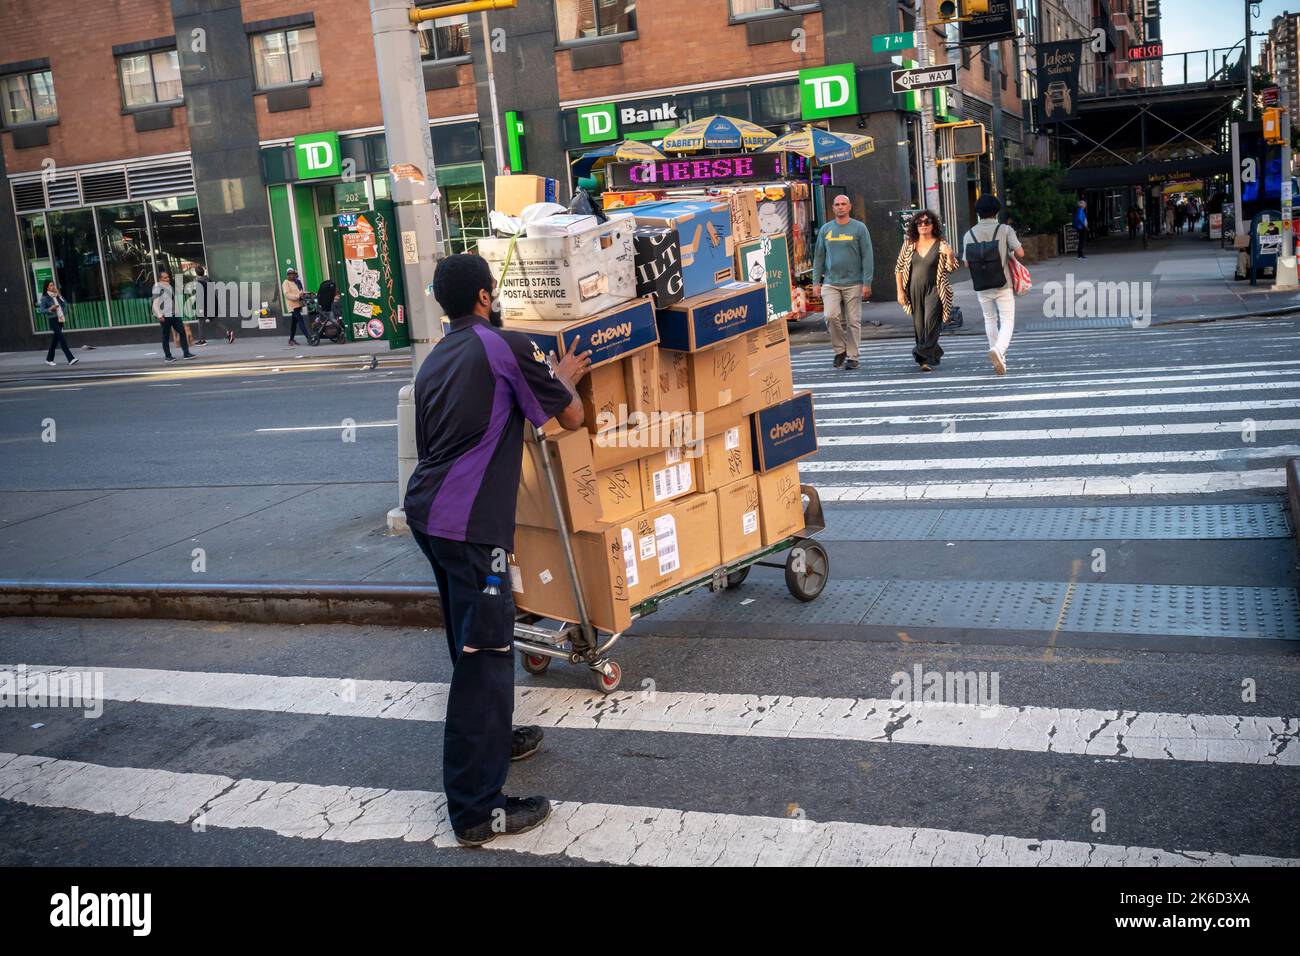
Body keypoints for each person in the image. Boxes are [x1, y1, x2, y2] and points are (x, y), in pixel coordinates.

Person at [404, 253, 591, 848]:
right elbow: (574, 417)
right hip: (469, 526)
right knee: (485, 655)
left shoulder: (435, 358)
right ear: (485, 297)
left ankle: (495, 734)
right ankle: (477, 812)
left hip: (428, 516)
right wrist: (562, 376)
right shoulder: (506, 347)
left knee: (471, 641)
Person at [962, 194, 1026, 376]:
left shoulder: (969, 234)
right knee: (1007, 321)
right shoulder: (1005, 230)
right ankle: (999, 350)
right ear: (996, 211)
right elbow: (1021, 252)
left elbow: (967, 263)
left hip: (982, 283)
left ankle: (999, 358)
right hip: (1003, 283)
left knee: (989, 319)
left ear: (978, 212)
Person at [812, 194, 873, 371]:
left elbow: (867, 256)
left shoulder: (859, 228)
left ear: (849, 207)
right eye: (837, 204)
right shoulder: (825, 229)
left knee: (853, 321)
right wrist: (816, 282)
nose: (840, 207)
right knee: (830, 315)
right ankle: (840, 350)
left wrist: (867, 282)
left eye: (843, 204)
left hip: (854, 282)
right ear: (833, 208)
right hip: (830, 282)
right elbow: (818, 257)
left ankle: (853, 356)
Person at [895, 209, 956, 372]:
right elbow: (899, 269)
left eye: (927, 222)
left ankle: (919, 351)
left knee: (931, 324)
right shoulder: (909, 244)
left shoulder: (941, 244)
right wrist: (900, 292)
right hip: (913, 290)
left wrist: (950, 255)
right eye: (919, 223)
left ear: (933, 224)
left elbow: (952, 268)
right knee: (920, 327)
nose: (923, 225)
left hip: (935, 289)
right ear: (915, 225)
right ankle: (926, 360)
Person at [153, 270, 194, 362]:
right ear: (160, 279)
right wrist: (159, 315)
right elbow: (155, 304)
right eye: (165, 278)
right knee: (166, 336)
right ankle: (168, 356)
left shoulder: (170, 287)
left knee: (182, 332)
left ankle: (186, 353)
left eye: (168, 277)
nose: (167, 279)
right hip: (165, 316)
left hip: (174, 314)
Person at [39, 280, 79, 367]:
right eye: (51, 285)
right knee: (61, 338)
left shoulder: (56, 296)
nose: (53, 287)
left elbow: (66, 305)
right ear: (47, 287)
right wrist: (50, 309)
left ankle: (49, 359)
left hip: (60, 319)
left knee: (55, 340)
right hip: (52, 320)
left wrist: (59, 295)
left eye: (53, 285)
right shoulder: (44, 298)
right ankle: (70, 358)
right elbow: (41, 310)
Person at [283, 268, 308, 346]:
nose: (292, 276)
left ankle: (291, 339)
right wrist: (297, 296)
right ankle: (308, 337)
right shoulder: (285, 283)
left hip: (298, 304)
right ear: (288, 275)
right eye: (290, 274)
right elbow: (287, 294)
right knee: (300, 320)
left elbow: (300, 291)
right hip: (292, 305)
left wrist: (308, 293)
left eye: (293, 274)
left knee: (294, 322)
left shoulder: (296, 282)